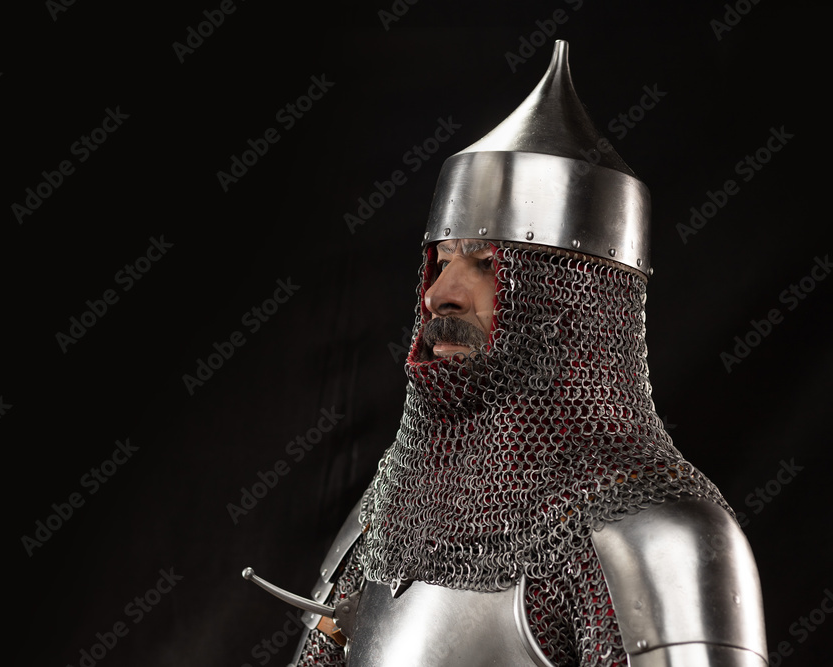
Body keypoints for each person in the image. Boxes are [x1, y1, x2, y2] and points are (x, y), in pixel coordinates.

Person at [249, 40, 768, 667]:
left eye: (486, 264)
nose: (440, 294)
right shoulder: (390, 509)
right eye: (440, 261)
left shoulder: (659, 537)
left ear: (572, 302)